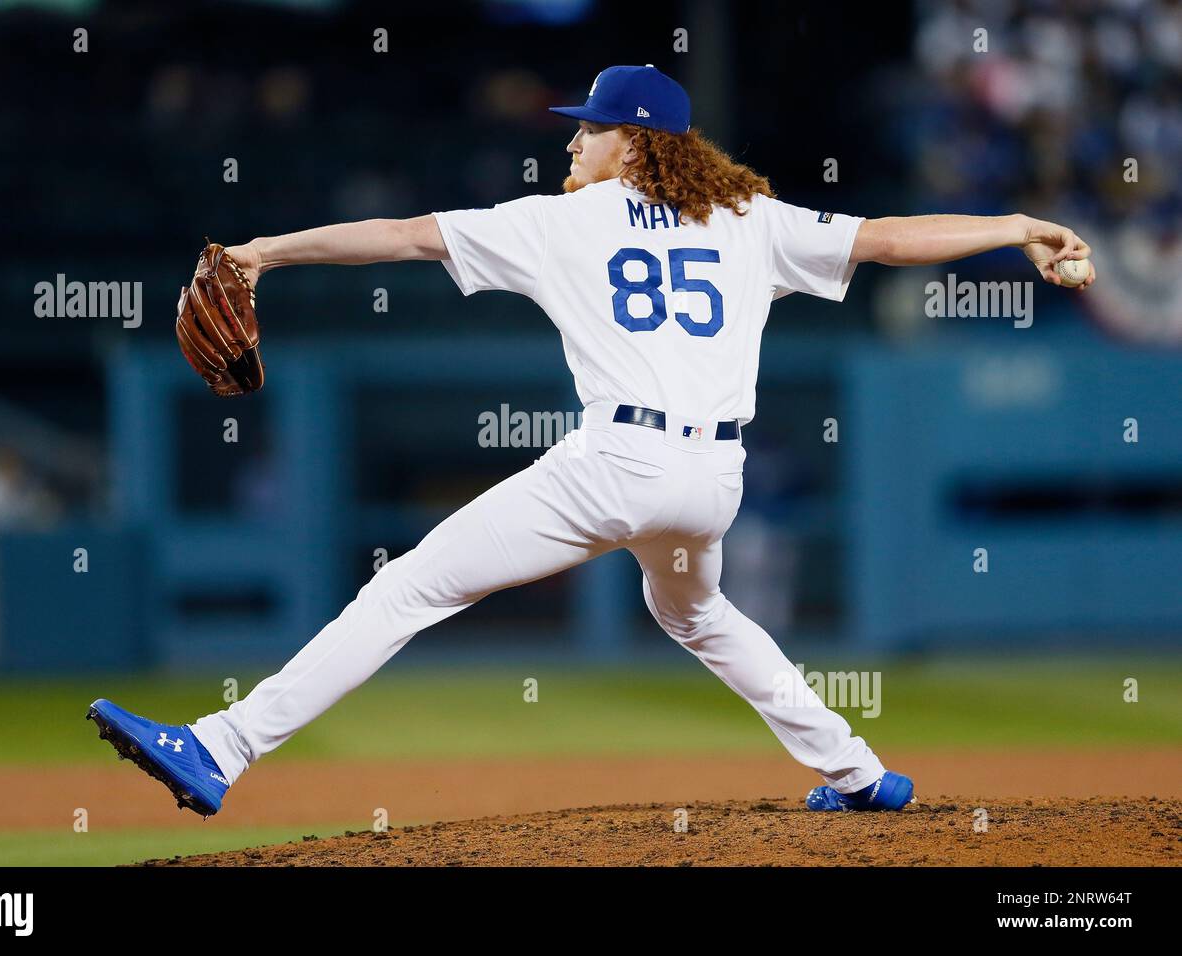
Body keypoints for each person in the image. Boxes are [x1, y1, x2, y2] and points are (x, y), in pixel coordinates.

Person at [88, 65, 1093, 816]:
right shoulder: (749, 215)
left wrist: (266, 251)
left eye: (587, 130)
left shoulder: (559, 223)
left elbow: (400, 236)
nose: (570, 144)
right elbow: (885, 236)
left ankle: (220, 745)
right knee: (695, 611)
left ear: (633, 140)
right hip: (713, 476)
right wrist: (1016, 222)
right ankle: (858, 771)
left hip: (617, 462)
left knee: (408, 584)